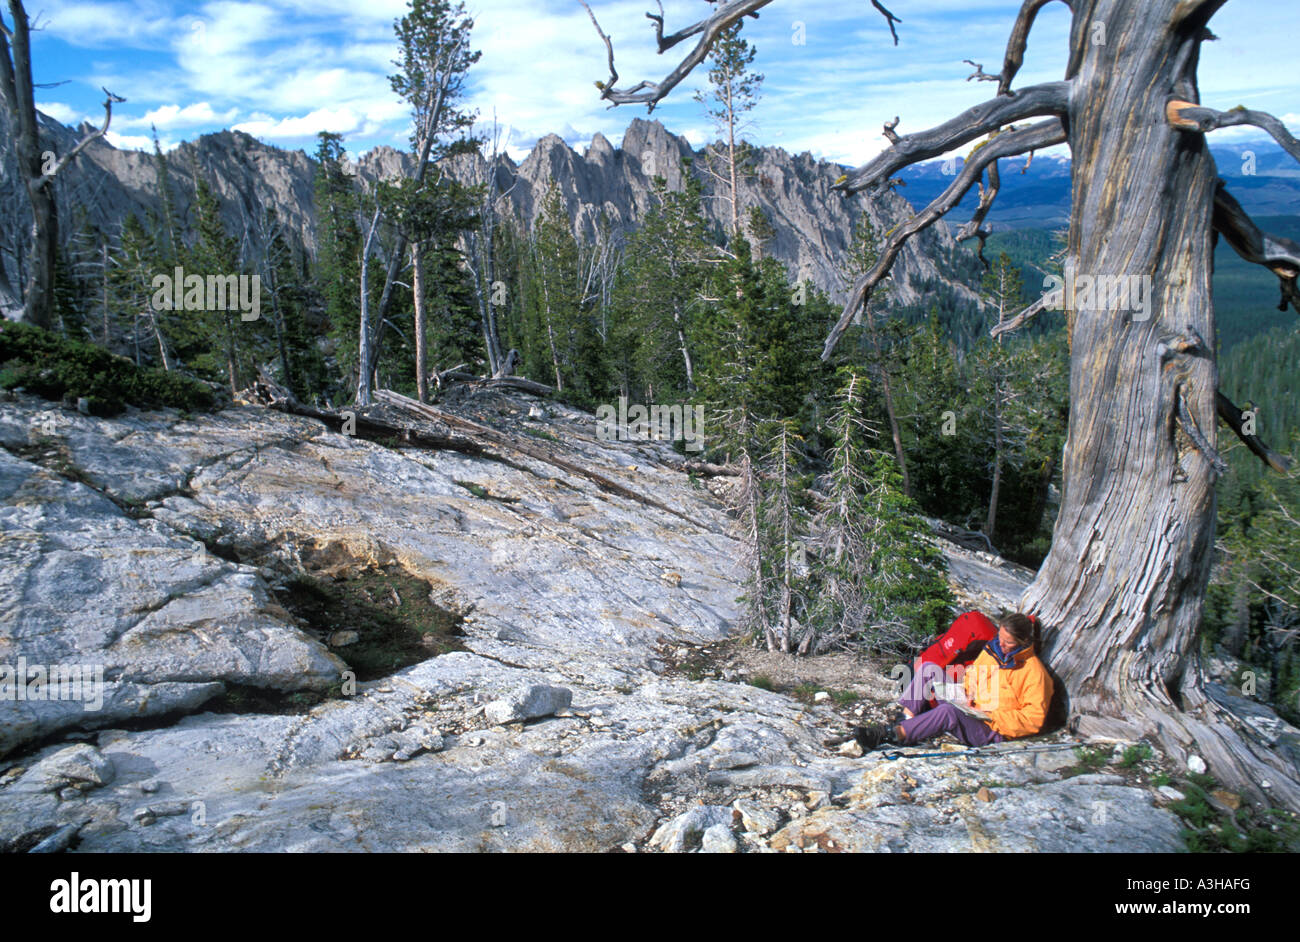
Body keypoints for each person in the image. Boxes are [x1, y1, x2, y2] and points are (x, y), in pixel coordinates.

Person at [836, 612, 1053, 751]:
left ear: (1024, 642)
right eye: (1000, 639)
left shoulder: (1034, 673)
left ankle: (893, 735)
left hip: (992, 728)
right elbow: (973, 674)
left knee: (948, 713)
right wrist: (967, 692)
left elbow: (1033, 719)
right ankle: (906, 718)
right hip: (971, 707)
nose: (1001, 646)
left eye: (1009, 643)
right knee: (929, 669)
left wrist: (992, 716)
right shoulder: (992, 649)